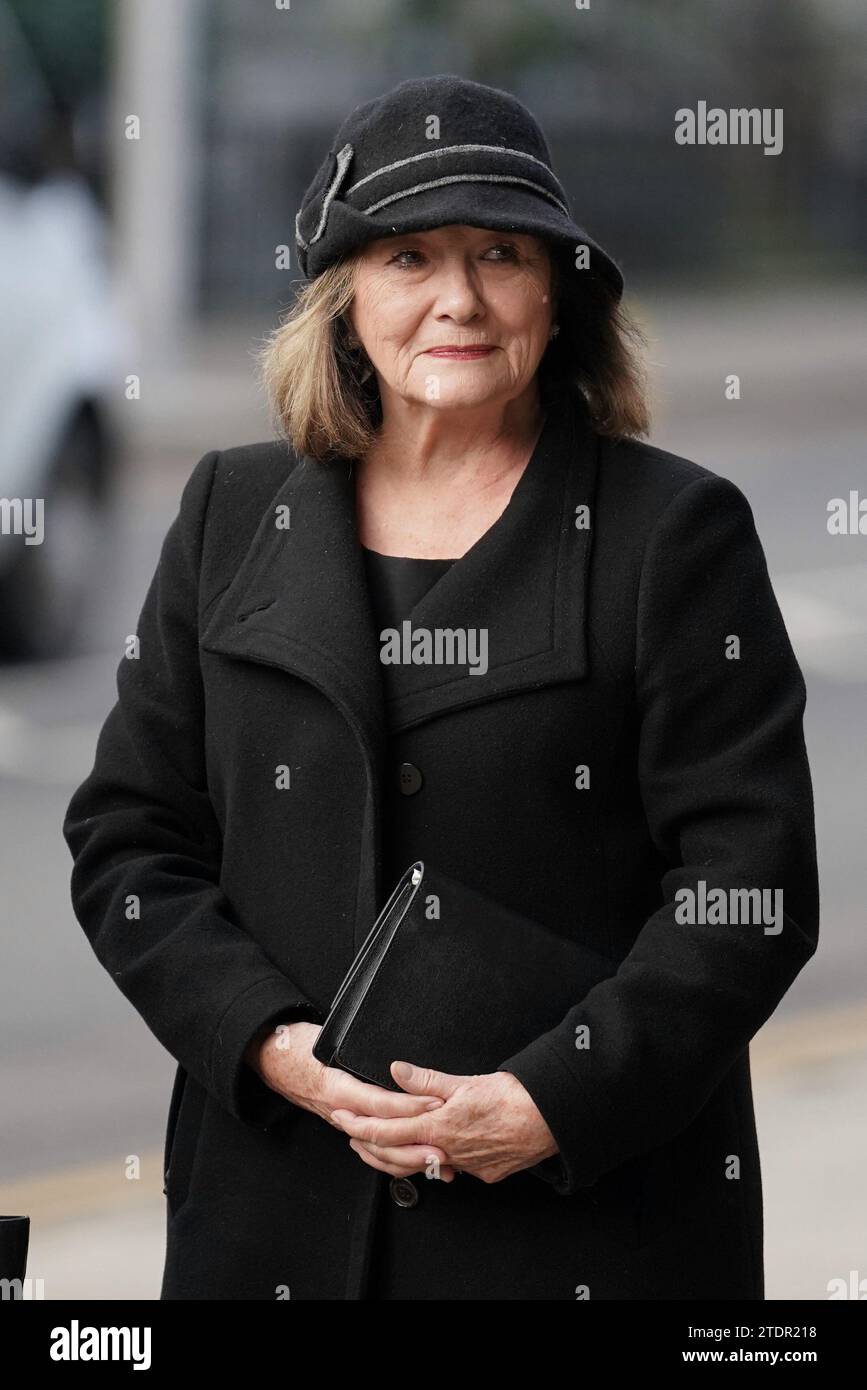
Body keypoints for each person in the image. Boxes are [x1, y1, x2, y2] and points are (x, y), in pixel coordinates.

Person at [62, 73, 819, 1300]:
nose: (457, 299)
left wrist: (553, 1096)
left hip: (584, 1238)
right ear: (344, 297)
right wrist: (268, 1043)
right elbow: (129, 838)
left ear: (556, 292)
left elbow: (753, 883)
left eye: (500, 253)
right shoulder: (229, 513)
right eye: (410, 255)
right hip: (271, 1230)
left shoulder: (675, 533)